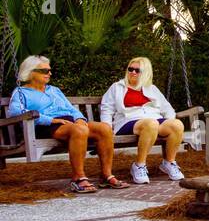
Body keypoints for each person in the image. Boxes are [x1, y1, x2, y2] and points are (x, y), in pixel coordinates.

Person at [7, 54, 124, 192]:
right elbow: (15, 111)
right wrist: (50, 119)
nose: (49, 73)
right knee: (79, 131)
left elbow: (69, 108)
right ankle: (78, 178)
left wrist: (80, 118)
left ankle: (106, 175)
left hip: (69, 122)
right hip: (45, 125)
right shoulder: (22, 92)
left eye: (50, 70)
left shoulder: (54, 90)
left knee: (104, 128)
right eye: (45, 71)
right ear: (31, 72)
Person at [100, 57, 185, 183]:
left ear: (145, 72)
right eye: (130, 69)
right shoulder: (117, 87)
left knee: (177, 124)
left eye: (137, 70)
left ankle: (169, 162)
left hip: (153, 120)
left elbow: (167, 109)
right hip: (128, 121)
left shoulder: (152, 88)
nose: (133, 72)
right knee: (151, 124)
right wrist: (106, 128)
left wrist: (169, 122)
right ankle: (139, 165)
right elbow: (106, 108)